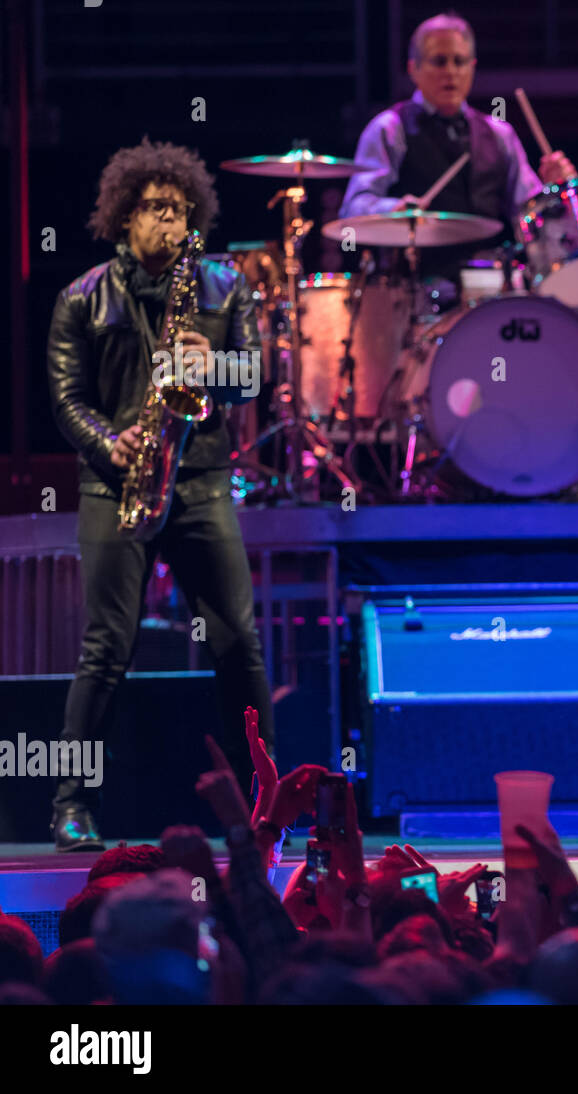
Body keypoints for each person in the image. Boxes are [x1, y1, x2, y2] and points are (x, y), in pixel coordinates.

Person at [46, 138, 273, 852]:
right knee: (106, 646)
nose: (165, 222)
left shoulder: (224, 286)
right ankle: (72, 805)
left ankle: (263, 798)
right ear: (121, 218)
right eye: (150, 209)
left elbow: (254, 377)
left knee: (238, 641)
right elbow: (65, 396)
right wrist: (104, 442)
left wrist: (221, 366)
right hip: (117, 480)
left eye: (176, 210)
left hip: (201, 478)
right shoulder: (82, 297)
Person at [340, 11, 575, 282]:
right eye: (439, 62)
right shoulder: (389, 128)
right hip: (414, 286)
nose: (450, 72)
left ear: (472, 67)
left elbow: (530, 220)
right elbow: (353, 209)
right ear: (413, 68)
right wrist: (393, 210)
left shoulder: (499, 133)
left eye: (459, 62)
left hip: (488, 284)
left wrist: (555, 193)